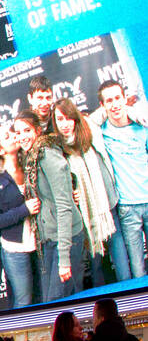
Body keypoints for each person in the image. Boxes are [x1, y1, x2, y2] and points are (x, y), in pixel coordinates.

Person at [53, 98, 131, 287]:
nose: (64, 124)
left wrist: (129, 104)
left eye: (67, 118)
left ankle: (130, 294)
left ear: (75, 118)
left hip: (107, 204)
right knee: (96, 263)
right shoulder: (57, 148)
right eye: (59, 119)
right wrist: (73, 193)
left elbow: (105, 110)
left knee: (120, 256)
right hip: (86, 214)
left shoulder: (90, 129)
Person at [17, 110, 83, 302]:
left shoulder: (47, 155)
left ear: (38, 131)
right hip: (47, 241)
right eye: (18, 132)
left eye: (27, 130)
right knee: (49, 302)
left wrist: (64, 259)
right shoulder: (30, 158)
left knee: (58, 301)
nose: (22, 137)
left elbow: (64, 206)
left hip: (67, 238)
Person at [89, 80, 148, 278]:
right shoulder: (101, 132)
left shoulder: (142, 126)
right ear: (102, 105)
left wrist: (132, 111)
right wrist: (105, 113)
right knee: (138, 270)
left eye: (117, 98)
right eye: (109, 101)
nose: (114, 104)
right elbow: (85, 126)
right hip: (127, 208)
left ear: (125, 99)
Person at [0, 123, 40, 310]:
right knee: (24, 301)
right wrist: (24, 210)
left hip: (40, 243)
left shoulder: (30, 162)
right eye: (7, 136)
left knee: (43, 297)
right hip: (15, 249)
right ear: (0, 150)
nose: (14, 136)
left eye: (12, 132)